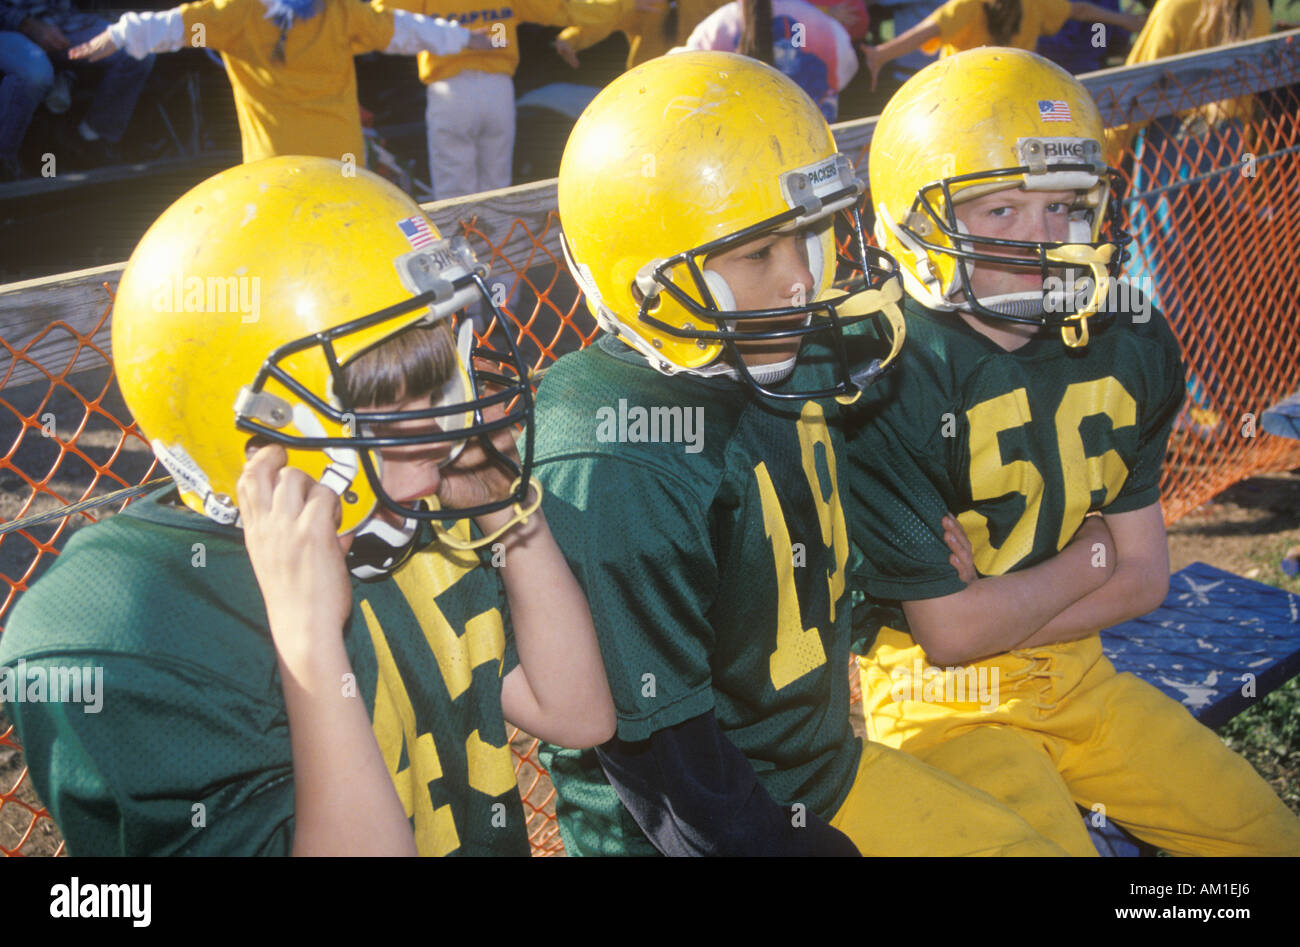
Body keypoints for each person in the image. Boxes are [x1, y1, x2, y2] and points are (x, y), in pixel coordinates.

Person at [532, 51, 1068, 856]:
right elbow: (671, 779)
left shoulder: (791, 347)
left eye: (810, 238)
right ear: (641, 269)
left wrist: (913, 548)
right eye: (761, 253)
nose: (800, 281)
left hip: (819, 774)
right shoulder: (615, 459)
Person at [0, 156, 615, 856]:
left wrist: (508, 511)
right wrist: (311, 649)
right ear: (262, 427)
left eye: (443, 379)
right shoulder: (124, 627)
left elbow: (578, 712)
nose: (448, 429)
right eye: (395, 407)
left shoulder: (415, 521)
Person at [845, 47, 1300, 855]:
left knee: (1265, 841)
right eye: (999, 212)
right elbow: (951, 640)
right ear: (913, 224)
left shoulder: (1124, 334)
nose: (1042, 241)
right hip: (941, 704)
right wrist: (1090, 559)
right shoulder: (885, 373)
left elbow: (1145, 576)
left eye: (1064, 208)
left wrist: (999, 604)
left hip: (1083, 681)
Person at [1108, 0, 1273, 433]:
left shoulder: (1177, 7)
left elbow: (1131, 87)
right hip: (1228, 151)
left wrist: (1103, 159)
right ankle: (1209, 398)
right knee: (1207, 285)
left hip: (1173, 152)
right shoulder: (1255, 9)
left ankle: (1178, 401)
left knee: (1160, 282)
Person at [66, 0, 493, 166]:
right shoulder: (336, 13)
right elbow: (405, 30)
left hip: (282, 169)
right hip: (338, 167)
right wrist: (467, 38)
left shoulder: (236, 14)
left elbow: (169, 27)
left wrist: (118, 36)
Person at [377, 0, 661, 200]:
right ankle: (504, 285)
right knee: (499, 192)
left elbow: (381, 19)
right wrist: (622, 4)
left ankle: (465, 284)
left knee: (453, 197)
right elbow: (565, 9)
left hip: (450, 92)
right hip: (497, 91)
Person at [0, 0, 154, 178]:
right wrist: (27, 24)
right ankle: (4, 159)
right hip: (9, 29)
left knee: (137, 48)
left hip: (65, 23)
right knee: (36, 74)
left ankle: (90, 140)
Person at [859, 0, 1145, 90]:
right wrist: (1126, 21)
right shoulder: (1033, 3)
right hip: (1017, 89)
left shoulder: (967, 5)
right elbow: (1082, 11)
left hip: (962, 94)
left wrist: (880, 55)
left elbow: (928, 30)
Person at [683, 0, 857, 120]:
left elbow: (683, 81)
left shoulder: (715, 28)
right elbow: (847, 70)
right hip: (815, 155)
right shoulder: (824, 24)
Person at [552, 0, 726, 73]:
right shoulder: (644, 3)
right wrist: (570, 38)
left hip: (704, 80)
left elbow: (738, 20)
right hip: (648, 86)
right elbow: (608, 16)